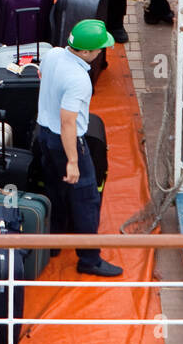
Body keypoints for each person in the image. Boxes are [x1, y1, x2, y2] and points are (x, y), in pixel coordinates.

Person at [34, 19, 121, 277]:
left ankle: (54, 242)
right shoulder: (79, 79)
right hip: (65, 142)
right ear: (84, 52)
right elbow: (68, 121)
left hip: (43, 136)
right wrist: (73, 161)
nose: (100, 53)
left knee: (54, 190)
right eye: (97, 49)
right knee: (86, 200)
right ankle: (89, 259)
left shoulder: (53, 54)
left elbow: (41, 75)